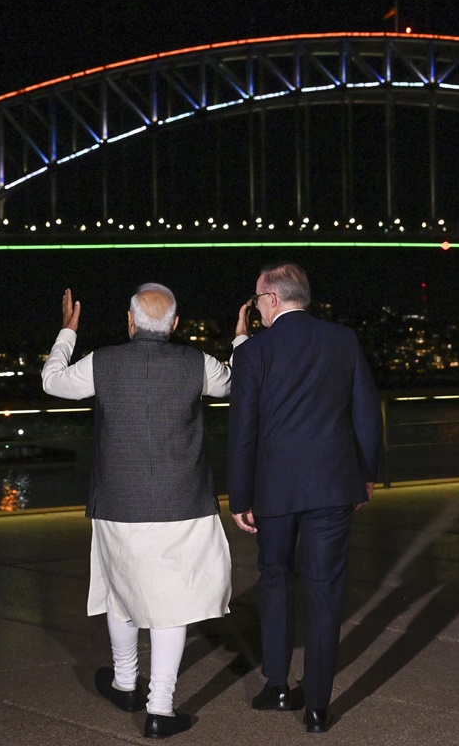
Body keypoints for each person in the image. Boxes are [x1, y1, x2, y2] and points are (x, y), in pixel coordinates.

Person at [41, 283, 235, 740]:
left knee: (118, 589)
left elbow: (51, 382)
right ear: (175, 324)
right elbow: (236, 382)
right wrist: (242, 338)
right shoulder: (198, 364)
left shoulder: (103, 363)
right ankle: (160, 708)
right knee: (173, 604)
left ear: (130, 322)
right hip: (183, 503)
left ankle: (125, 682)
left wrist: (68, 331)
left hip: (117, 502)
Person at [226, 262, 382, 734]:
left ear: (272, 300)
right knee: (325, 590)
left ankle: (276, 685)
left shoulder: (254, 352)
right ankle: (317, 707)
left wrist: (240, 496)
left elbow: (243, 429)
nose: (254, 306)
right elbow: (366, 414)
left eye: (256, 298)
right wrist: (367, 474)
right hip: (333, 485)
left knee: (275, 579)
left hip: (273, 489)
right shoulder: (343, 341)